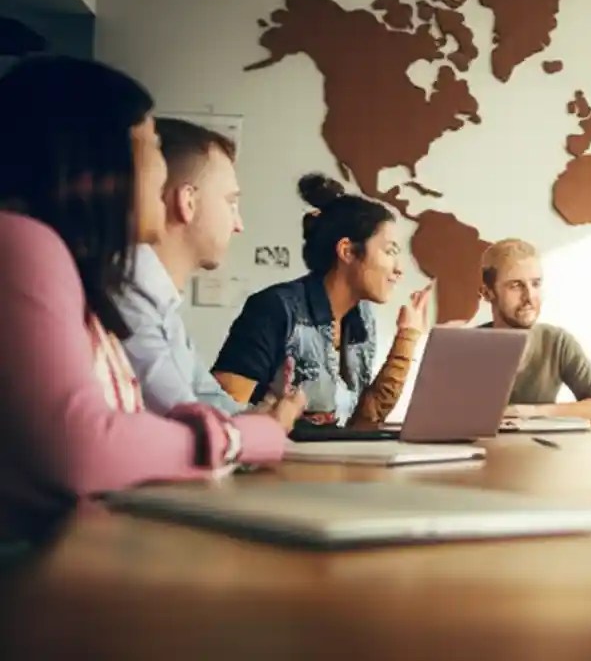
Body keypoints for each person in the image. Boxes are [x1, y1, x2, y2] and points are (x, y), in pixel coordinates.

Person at [0, 56, 301, 542]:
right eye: (151, 146)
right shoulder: (21, 243)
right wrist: (243, 437)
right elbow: (84, 447)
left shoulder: (70, 274)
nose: (162, 174)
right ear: (101, 163)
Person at [212, 174, 429, 429]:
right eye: (390, 251)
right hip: (273, 465)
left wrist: (407, 337)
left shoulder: (361, 318)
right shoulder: (273, 309)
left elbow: (362, 422)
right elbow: (221, 419)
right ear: (347, 251)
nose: (398, 269)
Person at [114, 118, 257, 415]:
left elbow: (215, 405)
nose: (239, 224)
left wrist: (269, 419)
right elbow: (196, 423)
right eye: (231, 203)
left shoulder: (164, 307)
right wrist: (269, 427)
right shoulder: (124, 299)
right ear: (187, 201)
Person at [477, 239, 591, 424]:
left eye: (535, 284)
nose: (529, 297)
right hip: (485, 451)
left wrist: (531, 412)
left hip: (541, 450)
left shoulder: (557, 341)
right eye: (516, 286)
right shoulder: (467, 346)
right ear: (487, 293)